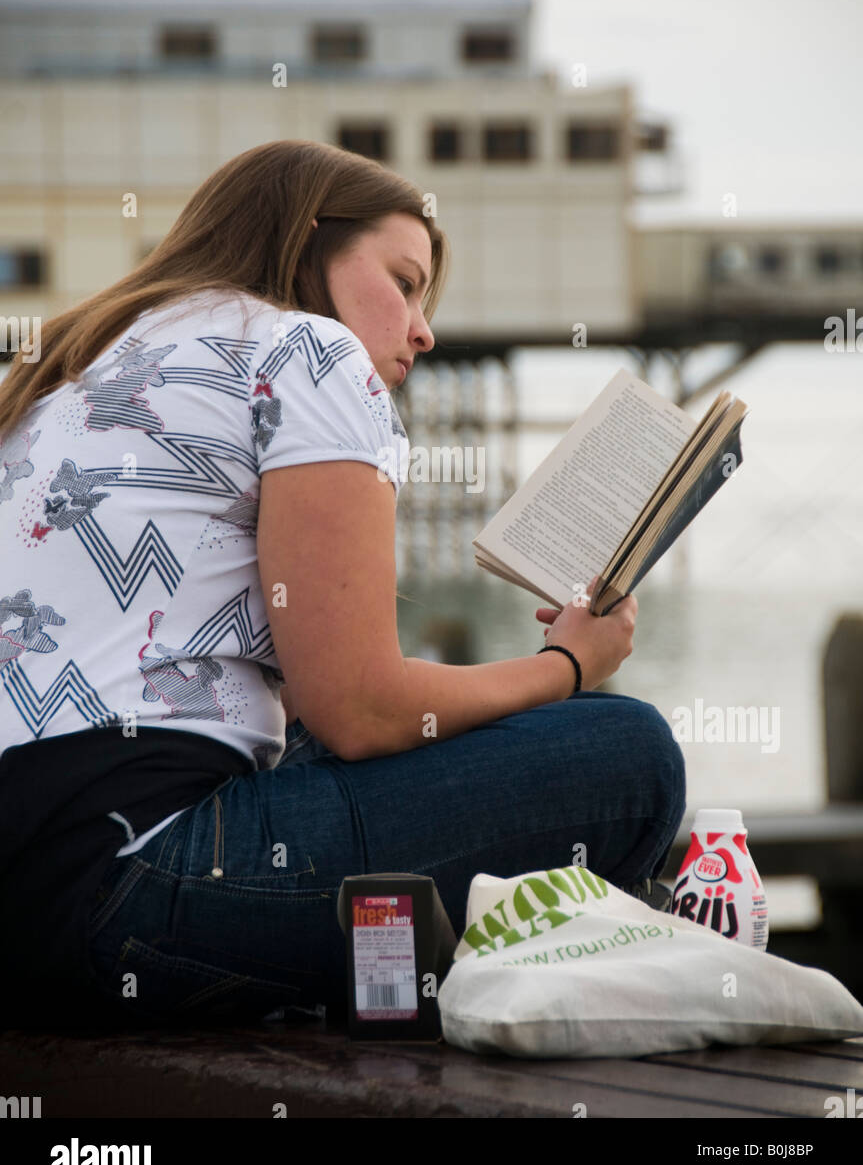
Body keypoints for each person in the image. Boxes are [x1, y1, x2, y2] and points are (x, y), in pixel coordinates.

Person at [0, 138, 685, 1030]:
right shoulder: (310, 352)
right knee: (625, 753)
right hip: (132, 886)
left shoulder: (78, 367)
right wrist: (567, 664)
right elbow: (360, 709)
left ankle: (388, 986)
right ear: (309, 241)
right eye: (404, 283)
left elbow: (328, 717)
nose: (424, 328)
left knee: (354, 745)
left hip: (26, 892)